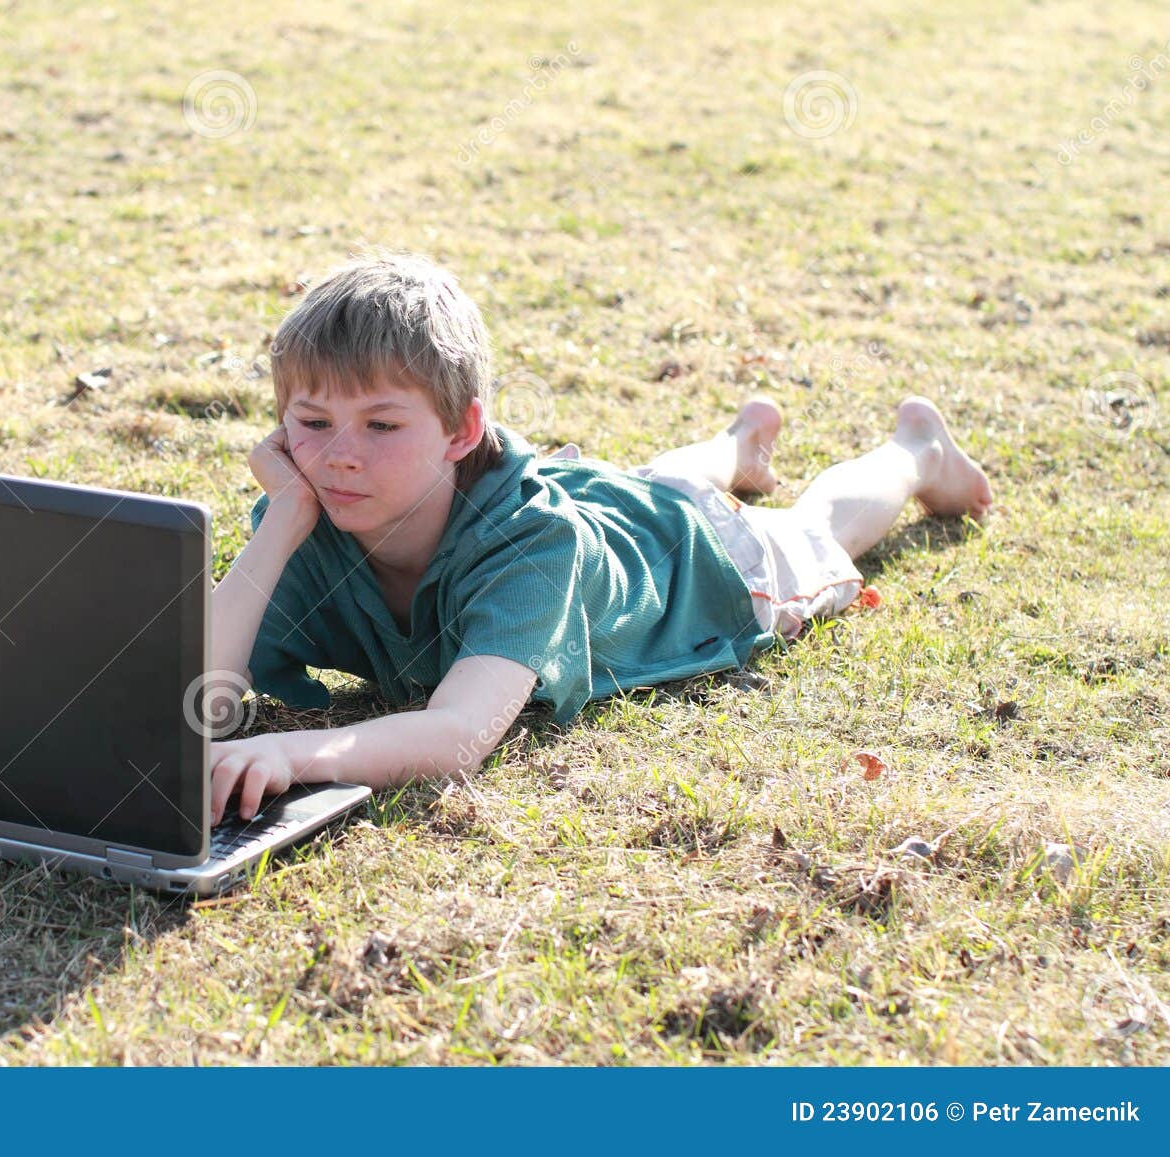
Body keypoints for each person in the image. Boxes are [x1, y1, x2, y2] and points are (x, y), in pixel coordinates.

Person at [204, 251, 993, 824]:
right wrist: (283, 522)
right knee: (663, 482)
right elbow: (193, 688)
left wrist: (295, 753)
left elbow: (458, 734)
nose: (339, 455)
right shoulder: (311, 517)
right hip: (608, 503)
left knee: (813, 529)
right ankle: (738, 445)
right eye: (312, 422)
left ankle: (915, 452)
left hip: (698, 560)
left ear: (462, 430)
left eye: (381, 424)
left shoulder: (532, 543)